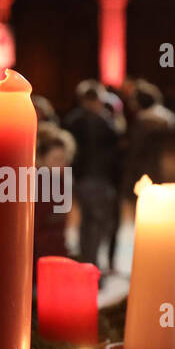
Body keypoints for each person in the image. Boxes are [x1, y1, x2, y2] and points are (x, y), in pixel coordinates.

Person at [63, 80, 122, 269]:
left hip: (80, 179)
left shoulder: (72, 120)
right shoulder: (104, 121)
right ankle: (91, 265)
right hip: (99, 180)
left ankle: (86, 262)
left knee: (86, 222)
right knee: (96, 224)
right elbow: (118, 146)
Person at [34, 123, 76, 262]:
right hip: (39, 261)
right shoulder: (38, 186)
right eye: (56, 160)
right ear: (40, 159)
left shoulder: (60, 182)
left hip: (55, 257)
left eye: (65, 160)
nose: (62, 165)